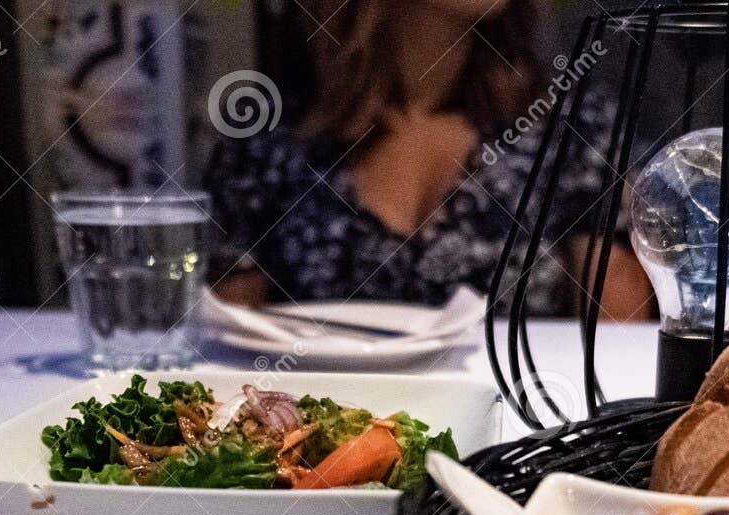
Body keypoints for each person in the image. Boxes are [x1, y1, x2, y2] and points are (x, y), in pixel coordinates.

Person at [203, 0, 653, 319]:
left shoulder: (570, 127)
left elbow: (615, 354)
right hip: (328, 420)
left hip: (511, 420)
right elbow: (227, 350)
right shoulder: (268, 144)